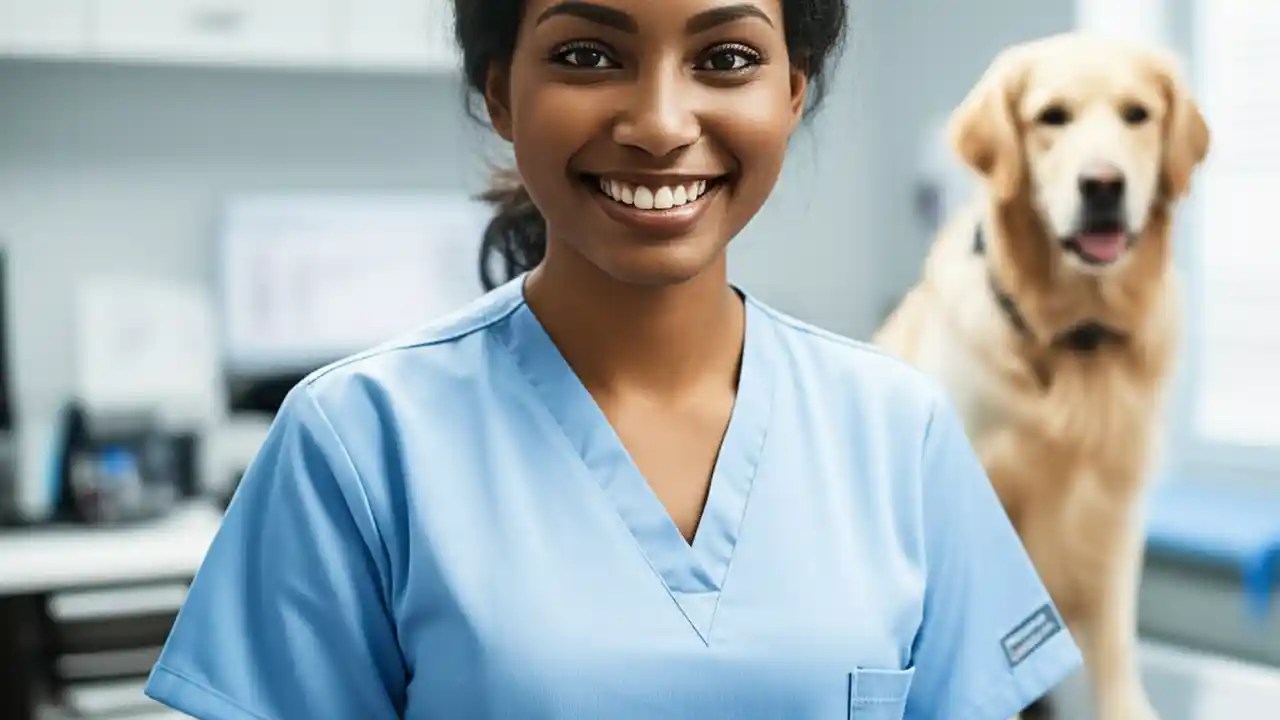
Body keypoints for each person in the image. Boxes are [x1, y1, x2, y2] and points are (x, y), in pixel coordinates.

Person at [145, 1, 1082, 718]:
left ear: (793, 89)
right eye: (588, 55)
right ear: (500, 89)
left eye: (726, 58)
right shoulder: (357, 442)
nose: (660, 122)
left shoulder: (896, 431)